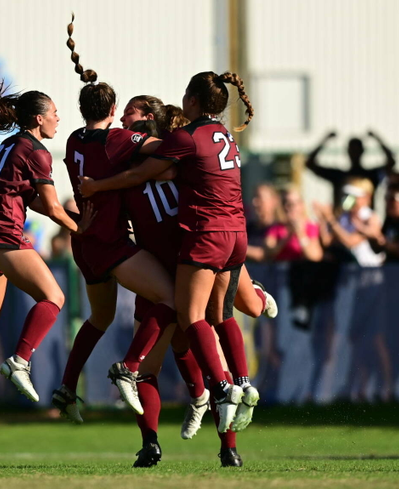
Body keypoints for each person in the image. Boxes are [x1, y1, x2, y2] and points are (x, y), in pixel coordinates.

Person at [79, 70, 258, 438]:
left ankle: (222, 391)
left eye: (131, 112)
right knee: (211, 322)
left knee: (192, 317)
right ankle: (226, 391)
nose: (124, 118)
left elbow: (146, 171)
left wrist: (98, 185)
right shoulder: (224, 135)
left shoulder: (180, 141)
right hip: (232, 233)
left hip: (200, 240)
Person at [120, 99, 277, 467]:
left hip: (191, 264)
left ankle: (169, 435)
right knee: (196, 345)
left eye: (133, 116)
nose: (126, 126)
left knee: (200, 335)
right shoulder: (174, 160)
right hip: (183, 267)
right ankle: (215, 434)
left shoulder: (160, 164)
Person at [52, 16, 179, 424]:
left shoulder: (73, 139)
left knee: (99, 318)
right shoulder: (120, 138)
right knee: (172, 299)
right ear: (111, 109)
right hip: (110, 242)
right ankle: (130, 366)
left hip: (83, 243)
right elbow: (168, 150)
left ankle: (68, 387)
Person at [0, 77, 93, 414]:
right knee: (53, 297)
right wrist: (80, 227)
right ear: (39, 118)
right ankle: (20, 361)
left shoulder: (11, 144)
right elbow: (50, 206)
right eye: (54, 112)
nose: (58, 117)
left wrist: (71, 216)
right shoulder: (37, 151)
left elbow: (32, 199)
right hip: (1, 230)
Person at [306, 130, 396, 207]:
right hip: (342, 222)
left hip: (365, 223)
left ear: (362, 151)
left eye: (357, 149)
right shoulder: (338, 175)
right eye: (352, 150)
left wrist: (378, 138)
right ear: (348, 151)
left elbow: (391, 163)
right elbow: (310, 164)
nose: (355, 153)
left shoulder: (371, 175)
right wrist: (325, 140)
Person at [314, 178, 383, 266]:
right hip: (347, 269)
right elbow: (327, 241)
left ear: (367, 197)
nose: (349, 199)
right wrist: (323, 219)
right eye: (347, 195)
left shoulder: (370, 217)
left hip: (367, 269)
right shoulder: (343, 216)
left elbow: (350, 242)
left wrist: (330, 219)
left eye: (354, 196)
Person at [263, 187, 323, 262]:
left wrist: (300, 234)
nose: (291, 207)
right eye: (287, 203)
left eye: (295, 203)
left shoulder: (311, 227)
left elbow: (315, 256)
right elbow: (268, 253)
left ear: (302, 205)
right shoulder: (276, 228)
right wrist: (287, 237)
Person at [246, 183, 283, 262]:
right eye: (254, 197)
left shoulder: (280, 229)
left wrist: (237, 248)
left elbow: (266, 254)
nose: (254, 202)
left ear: (274, 201)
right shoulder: (248, 228)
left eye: (259, 198)